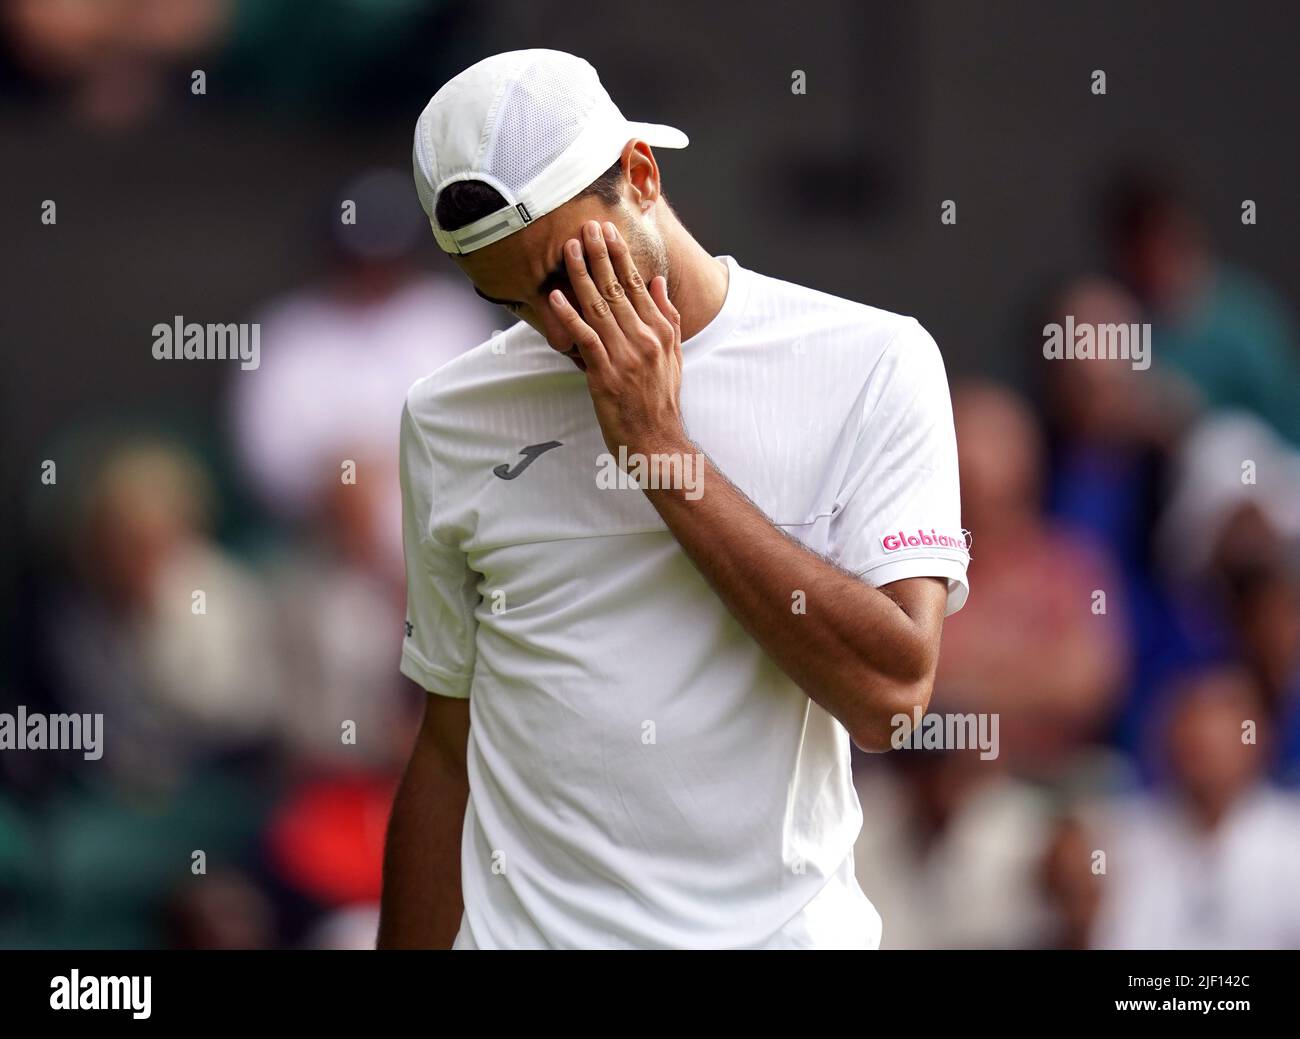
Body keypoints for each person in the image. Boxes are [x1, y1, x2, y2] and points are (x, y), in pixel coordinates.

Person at [379, 49, 969, 950]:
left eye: (564, 276)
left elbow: (892, 694)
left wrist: (659, 451)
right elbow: (448, 745)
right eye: (511, 305)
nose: (557, 330)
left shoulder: (876, 363)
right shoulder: (446, 416)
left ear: (642, 176)